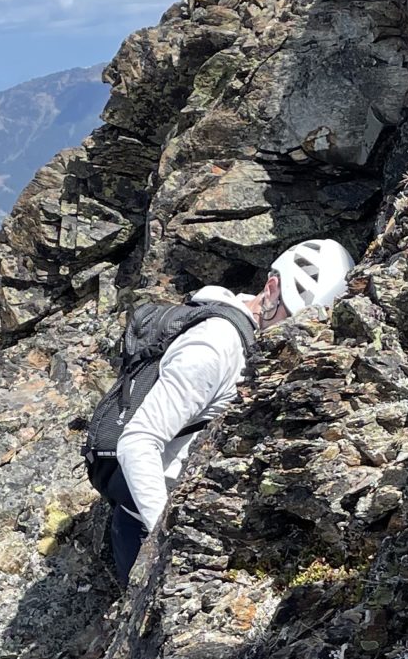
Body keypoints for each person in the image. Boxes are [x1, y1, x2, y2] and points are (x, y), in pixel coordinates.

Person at [105, 237, 354, 584]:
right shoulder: (215, 345)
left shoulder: (251, 342)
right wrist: (164, 540)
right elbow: (138, 441)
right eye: (290, 317)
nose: (294, 333)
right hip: (145, 520)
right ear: (270, 287)